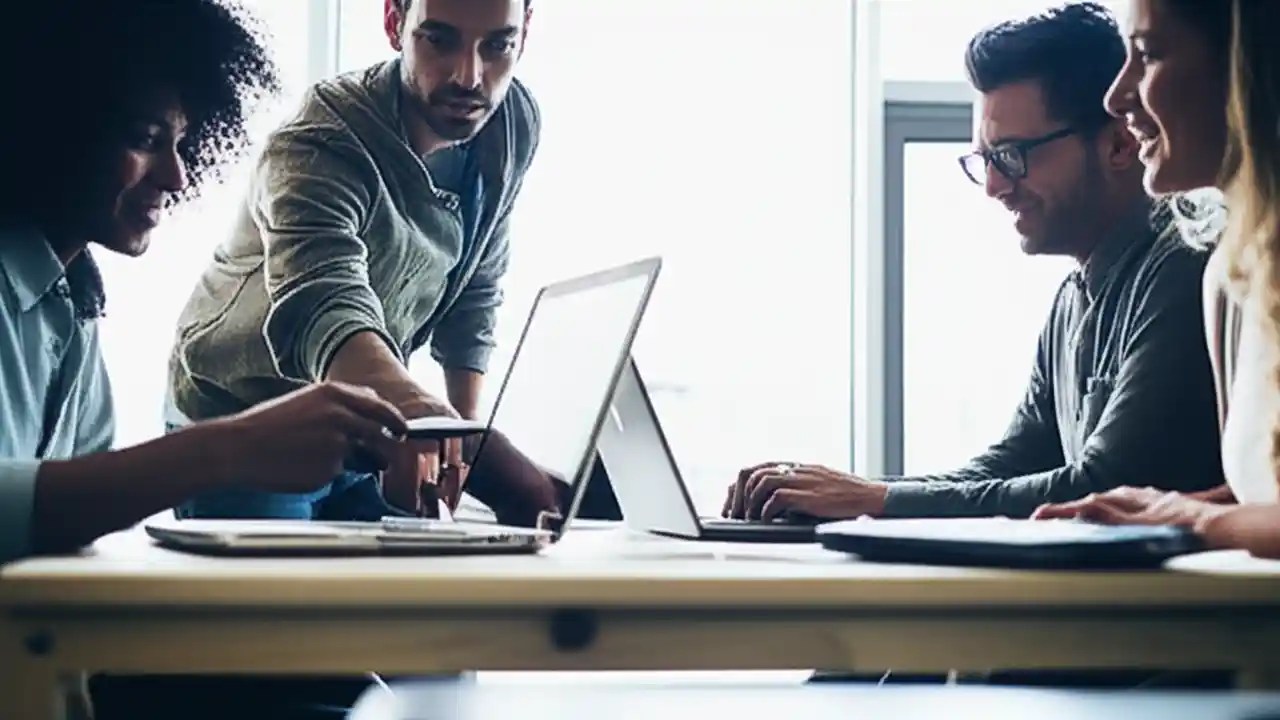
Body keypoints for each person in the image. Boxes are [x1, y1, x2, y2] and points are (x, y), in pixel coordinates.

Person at [723, 2, 1225, 523]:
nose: (993, 186)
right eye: (985, 160)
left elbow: (1105, 485)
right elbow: (1015, 462)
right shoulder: (1076, 295)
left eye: (1011, 155)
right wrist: (857, 494)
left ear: (1119, 143)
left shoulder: (1183, 266)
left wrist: (876, 501)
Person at [165, 0, 608, 525]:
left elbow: (475, 289)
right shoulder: (320, 142)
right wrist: (471, 448)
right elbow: (327, 314)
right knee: (282, 606)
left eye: (497, 46)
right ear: (395, 22)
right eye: (439, 40)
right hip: (248, 428)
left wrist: (454, 452)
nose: (470, 77)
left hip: (370, 424)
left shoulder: (510, 121)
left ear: (524, 34)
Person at [0, 0, 409, 566]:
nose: (176, 174)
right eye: (145, 138)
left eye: (180, 141)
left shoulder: (72, 301)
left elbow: (77, 526)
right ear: (52, 122)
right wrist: (231, 446)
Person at [1033, 0, 1280, 561]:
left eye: (1147, 55)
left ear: (1250, 63)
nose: (1116, 96)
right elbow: (1261, 498)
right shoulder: (1229, 278)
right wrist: (1164, 509)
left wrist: (1198, 519)